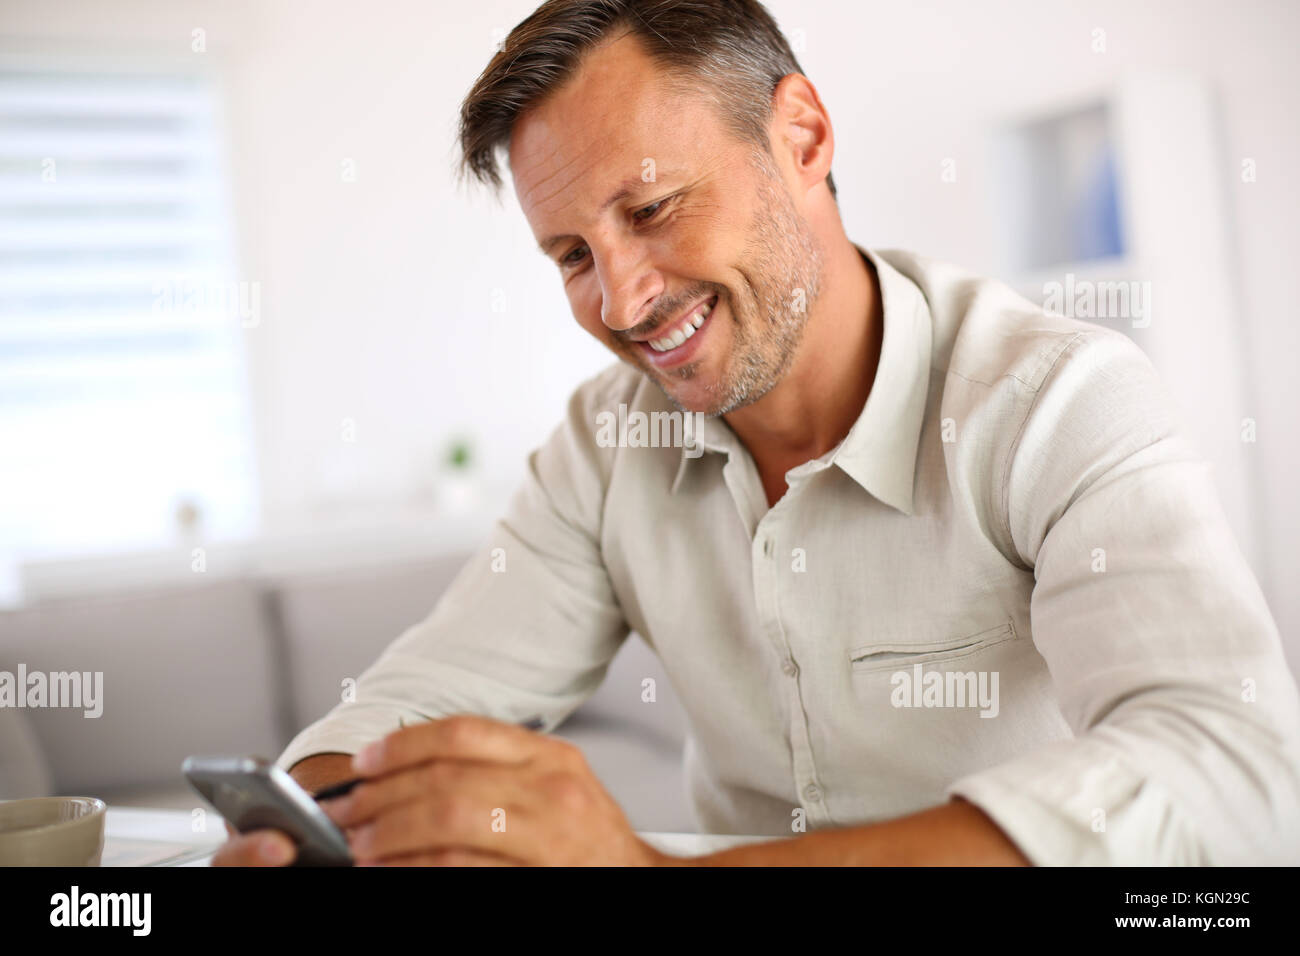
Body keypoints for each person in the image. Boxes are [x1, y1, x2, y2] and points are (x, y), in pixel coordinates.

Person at [216, 0, 1300, 866]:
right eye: (571, 257)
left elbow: (1234, 767)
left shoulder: (1058, 400)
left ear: (803, 137)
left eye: (649, 210)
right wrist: (305, 818)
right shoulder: (606, 447)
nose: (624, 299)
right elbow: (421, 695)